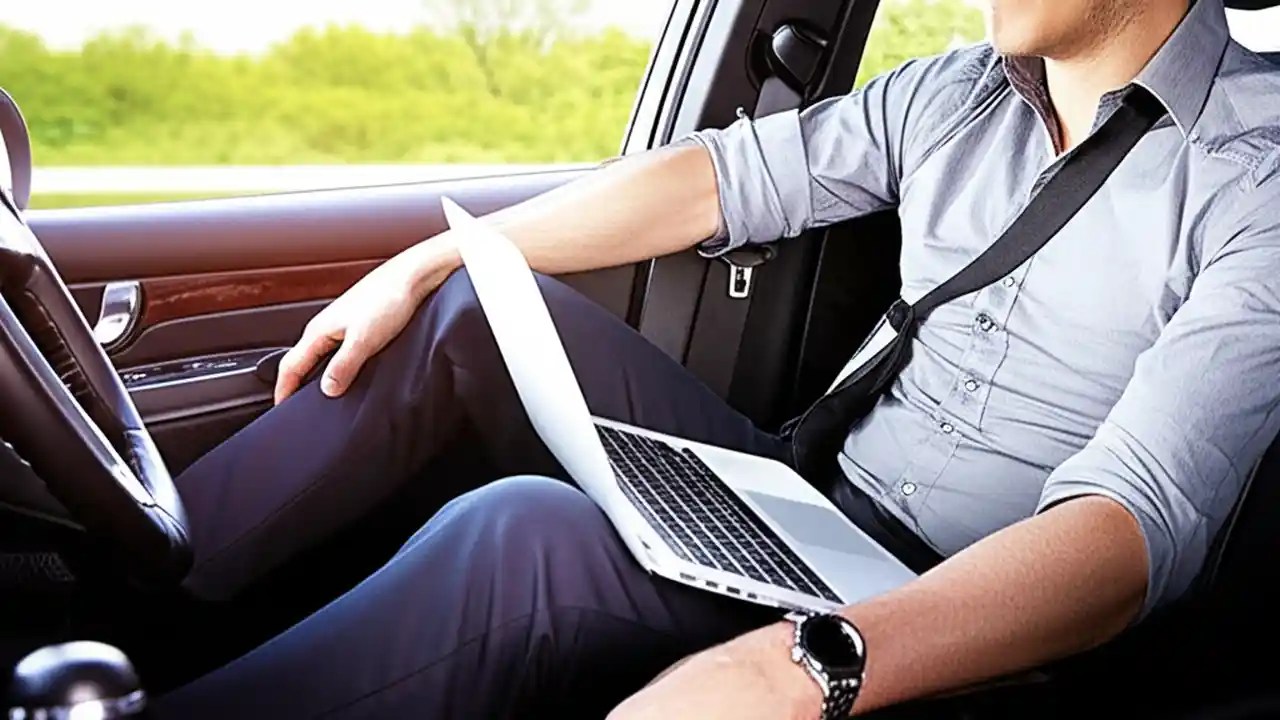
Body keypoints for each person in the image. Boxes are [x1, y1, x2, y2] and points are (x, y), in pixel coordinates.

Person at [153, 0, 1280, 717]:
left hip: (943, 612)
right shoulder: (955, 92)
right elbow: (719, 179)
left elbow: (1133, 530)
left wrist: (800, 667)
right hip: (810, 504)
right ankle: (133, 599)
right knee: (475, 306)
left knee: (517, 537)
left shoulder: (1258, 178)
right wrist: (441, 252)